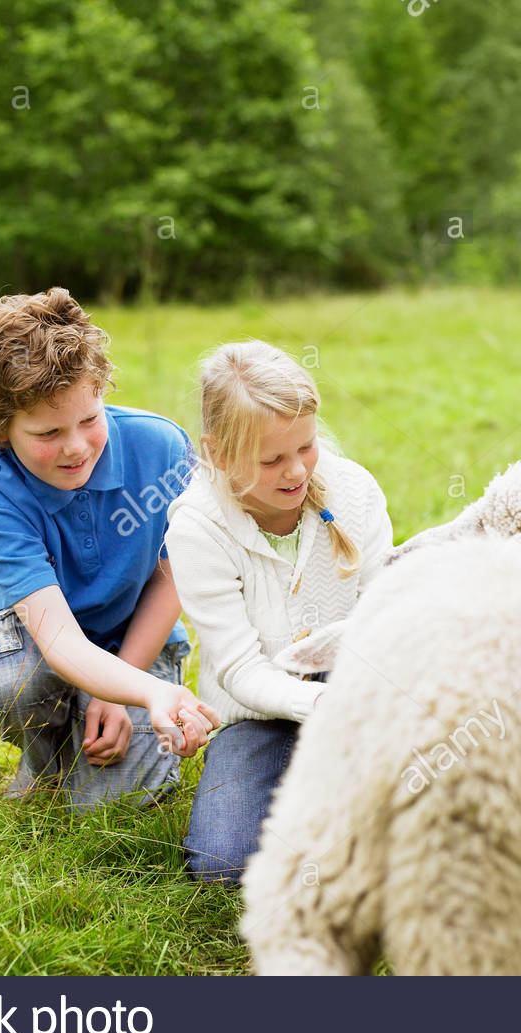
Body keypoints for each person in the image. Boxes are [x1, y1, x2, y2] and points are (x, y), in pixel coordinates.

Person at [0, 287, 218, 810]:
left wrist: (127, 684)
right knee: (16, 687)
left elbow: (173, 577)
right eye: (48, 432)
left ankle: (82, 750)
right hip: (37, 640)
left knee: (113, 806)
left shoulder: (162, 448)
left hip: (135, 636)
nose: (76, 446)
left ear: (101, 391)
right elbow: (59, 641)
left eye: (90, 420)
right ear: (1, 430)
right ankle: (44, 759)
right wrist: (147, 695)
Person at [164, 340, 393, 882]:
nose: (296, 471)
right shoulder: (198, 526)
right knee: (223, 864)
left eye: (306, 448)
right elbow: (240, 669)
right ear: (217, 453)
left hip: (359, 692)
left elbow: (385, 612)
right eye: (271, 460)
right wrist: (319, 702)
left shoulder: (353, 492)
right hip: (258, 714)